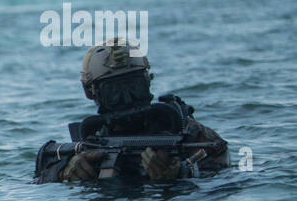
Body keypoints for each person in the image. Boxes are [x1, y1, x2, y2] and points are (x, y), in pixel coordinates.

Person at [34, 38, 229, 183]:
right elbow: (39, 180)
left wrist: (181, 173)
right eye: (114, 92)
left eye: (135, 87)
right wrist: (66, 172)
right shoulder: (92, 141)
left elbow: (223, 172)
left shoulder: (184, 132)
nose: (127, 99)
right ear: (90, 92)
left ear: (148, 82)